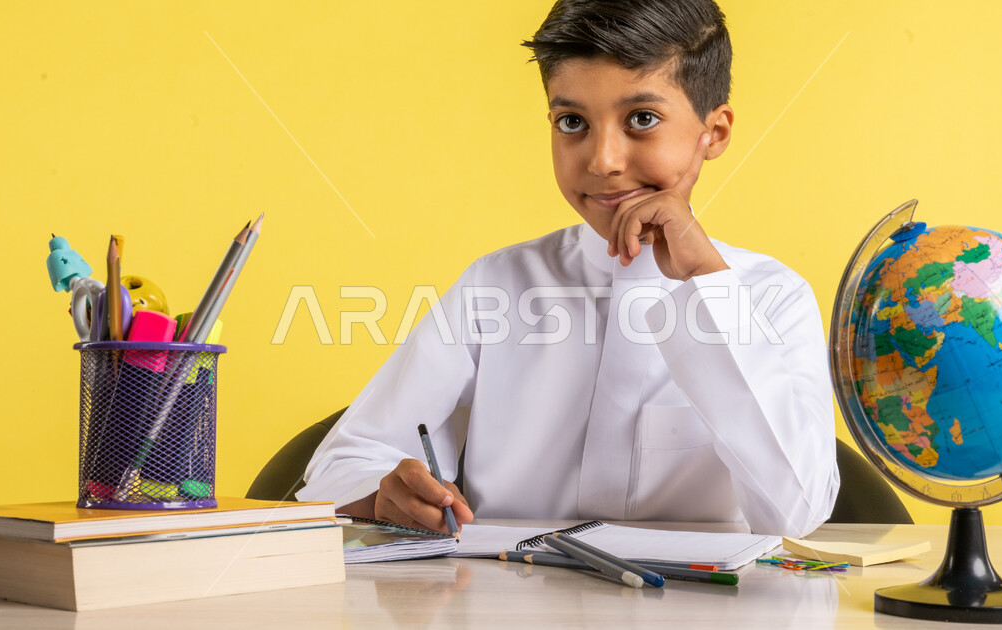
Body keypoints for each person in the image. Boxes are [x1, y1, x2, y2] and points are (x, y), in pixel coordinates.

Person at [297, 0, 838, 538]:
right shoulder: (496, 285)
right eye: (572, 122)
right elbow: (340, 465)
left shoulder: (773, 297)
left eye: (642, 119)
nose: (602, 159)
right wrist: (386, 491)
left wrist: (707, 283)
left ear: (714, 133)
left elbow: (796, 511)